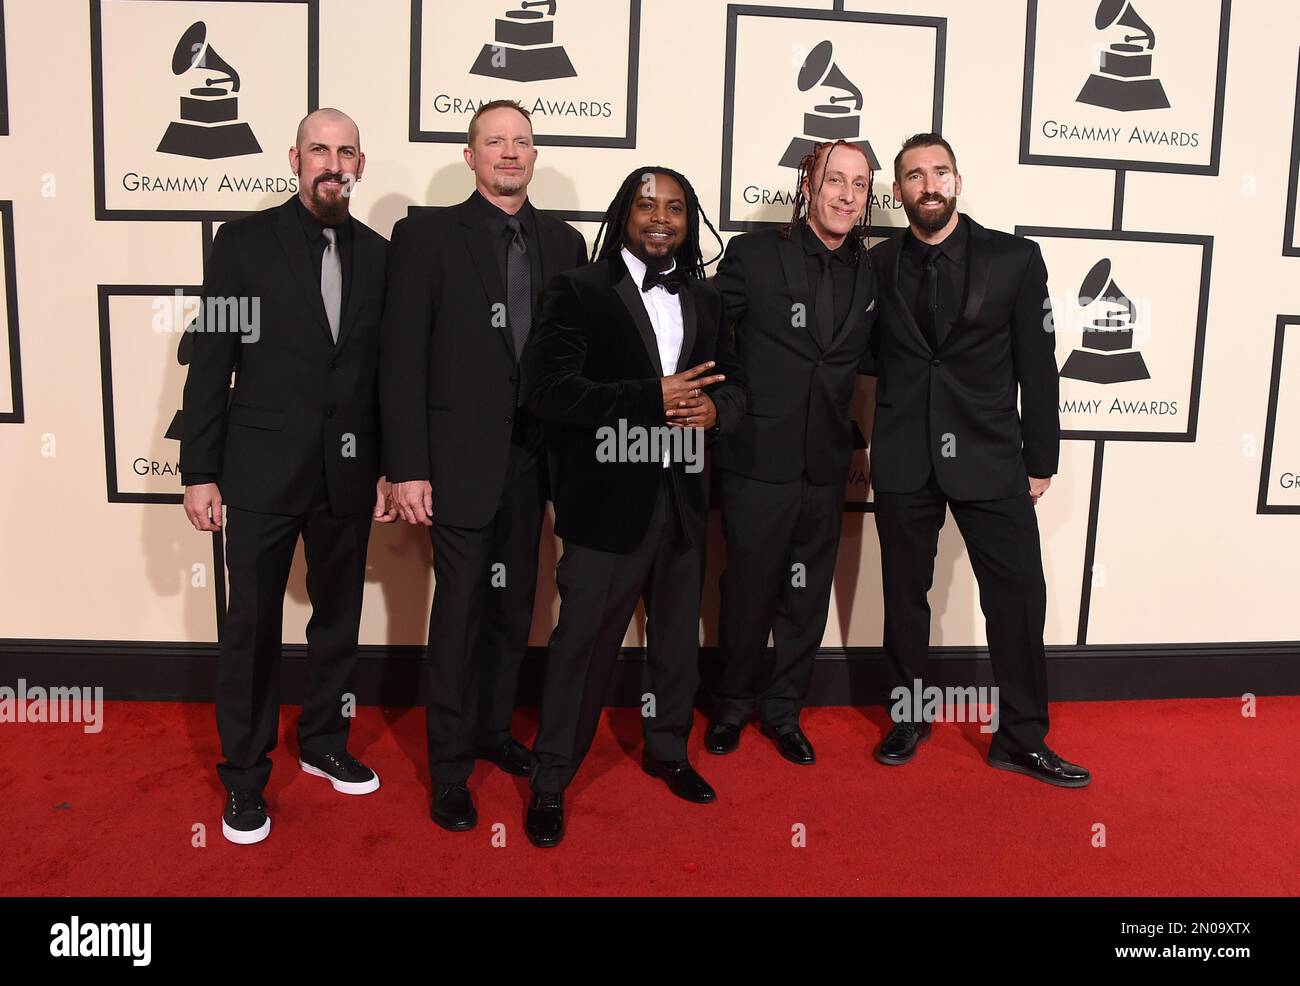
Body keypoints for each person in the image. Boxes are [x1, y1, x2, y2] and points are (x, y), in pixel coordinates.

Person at [180, 108, 394, 845]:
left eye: (345, 152)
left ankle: (325, 741)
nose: (331, 164)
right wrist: (200, 469)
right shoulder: (242, 244)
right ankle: (244, 777)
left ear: (360, 165)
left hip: (348, 473)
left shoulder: (380, 253)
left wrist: (392, 469)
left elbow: (385, 378)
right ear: (293, 160)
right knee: (252, 627)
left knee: (337, 618)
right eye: (318, 151)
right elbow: (211, 360)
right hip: (261, 468)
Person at [520, 166, 748, 847]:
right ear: (624, 212)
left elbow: (736, 389)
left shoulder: (704, 299)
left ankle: (668, 750)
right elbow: (547, 391)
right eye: (647, 204)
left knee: (677, 641)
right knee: (582, 647)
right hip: (604, 506)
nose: (661, 217)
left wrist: (713, 410)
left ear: (688, 220)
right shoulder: (578, 290)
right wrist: (653, 396)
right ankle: (552, 779)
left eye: (675, 208)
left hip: (681, 500)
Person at [379, 99, 588, 832]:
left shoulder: (565, 244)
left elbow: (574, 361)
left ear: (535, 155)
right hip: (455, 463)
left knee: (513, 609)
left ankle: (494, 731)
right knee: (459, 616)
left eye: (521, 142)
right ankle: (448, 770)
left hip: (535, 465)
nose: (509, 153)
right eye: (494, 142)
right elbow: (400, 358)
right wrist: (405, 466)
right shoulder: (427, 236)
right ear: (470, 157)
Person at [866, 133, 1090, 787]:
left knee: (1018, 599)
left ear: (956, 181)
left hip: (993, 456)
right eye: (913, 176)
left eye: (939, 173)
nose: (927, 185)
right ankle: (908, 719)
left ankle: (1020, 737)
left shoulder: (1016, 259)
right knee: (905, 598)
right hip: (906, 455)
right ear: (900, 191)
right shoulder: (877, 265)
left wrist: (1040, 459)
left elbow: (1037, 367)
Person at [707, 139, 878, 764]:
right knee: (749, 589)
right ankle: (729, 706)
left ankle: (783, 712)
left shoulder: (871, 272)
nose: (846, 194)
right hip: (757, 458)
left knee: (806, 598)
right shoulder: (753, 256)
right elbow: (712, 339)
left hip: (829, 464)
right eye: (835, 180)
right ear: (809, 184)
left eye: (859, 185)